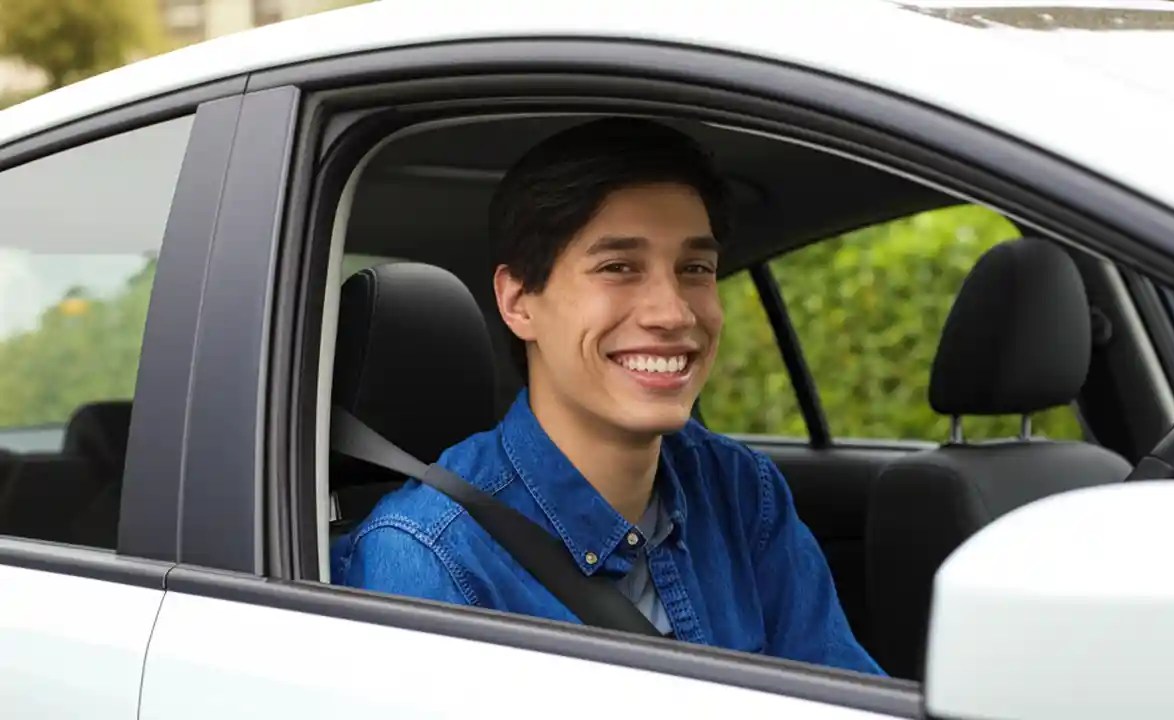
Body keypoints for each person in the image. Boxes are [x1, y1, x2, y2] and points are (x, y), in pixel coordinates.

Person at [331, 117, 884, 675]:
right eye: (618, 267)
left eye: (695, 268)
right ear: (519, 301)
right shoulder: (427, 557)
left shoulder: (739, 492)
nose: (672, 313)